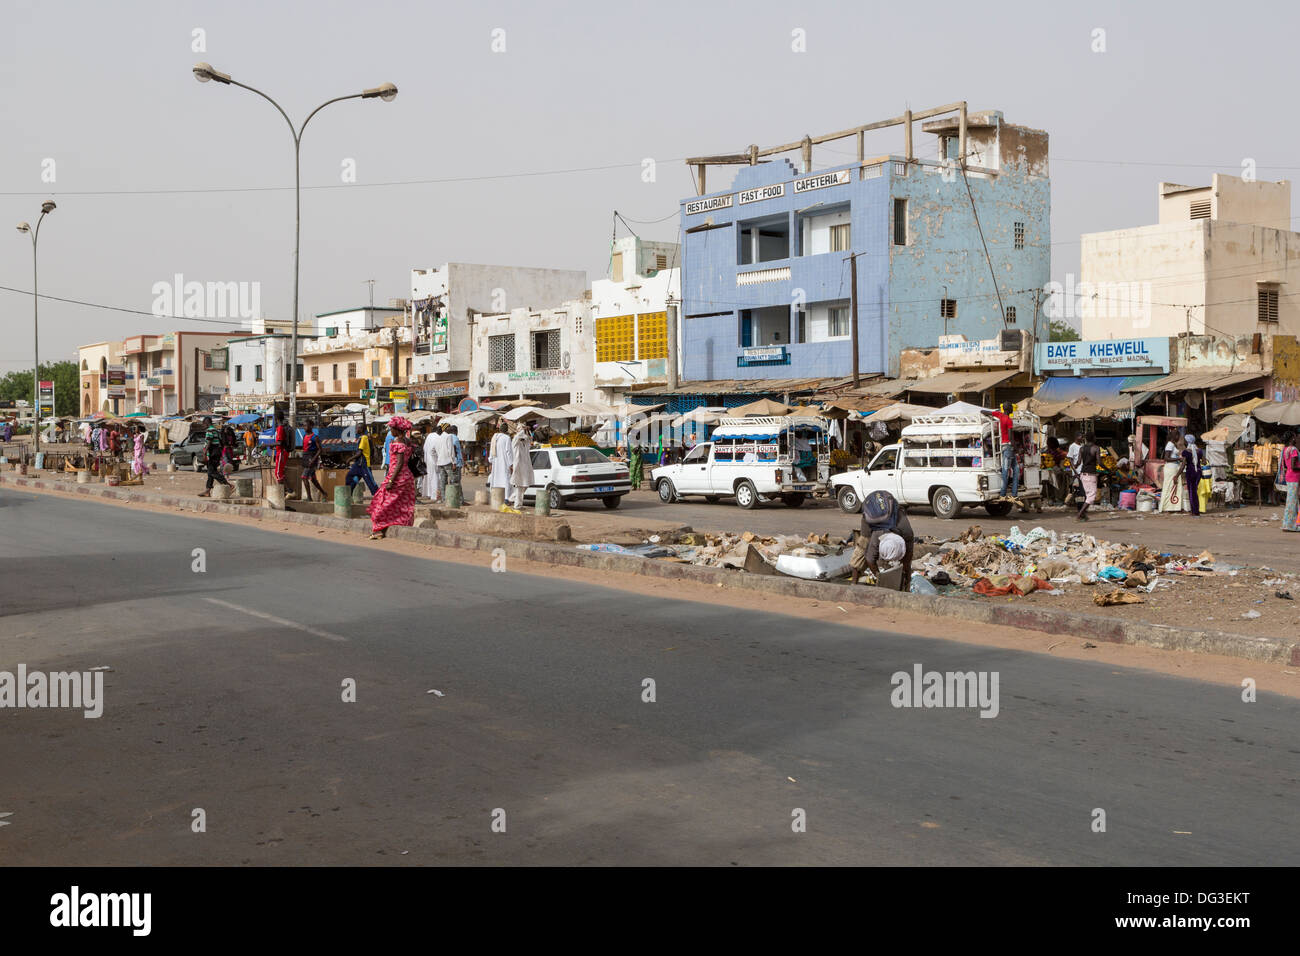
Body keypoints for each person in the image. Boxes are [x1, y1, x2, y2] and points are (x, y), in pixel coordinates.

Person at [850, 489, 914, 590]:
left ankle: (906, 586)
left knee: (906, 566)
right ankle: (853, 584)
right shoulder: (877, 534)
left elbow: (907, 561)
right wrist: (880, 578)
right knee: (862, 547)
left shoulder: (907, 534)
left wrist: (907, 580)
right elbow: (870, 559)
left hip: (891, 512)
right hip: (871, 513)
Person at [367, 417, 417, 539]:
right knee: (402, 505)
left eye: (391, 428)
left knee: (382, 502)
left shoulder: (398, 442)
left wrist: (391, 480)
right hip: (407, 476)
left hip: (397, 476)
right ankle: (401, 524)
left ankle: (378, 529)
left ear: (397, 429)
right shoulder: (407, 441)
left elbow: (399, 463)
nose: (390, 430)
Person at [981, 403, 1017, 499]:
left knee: (1014, 469)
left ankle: (1013, 493)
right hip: (1009, 446)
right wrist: (1015, 446)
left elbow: (983, 411)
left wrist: (990, 415)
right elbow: (1010, 436)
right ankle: (1004, 494)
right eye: (1011, 407)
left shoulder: (1000, 415)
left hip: (1003, 446)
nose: (1012, 408)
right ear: (1009, 409)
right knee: (1007, 470)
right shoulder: (1009, 420)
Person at [197, 416, 230, 497]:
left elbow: (209, 441)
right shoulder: (216, 430)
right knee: (210, 472)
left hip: (213, 452)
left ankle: (228, 484)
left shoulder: (209, 430)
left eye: (203, 424)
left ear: (207, 423)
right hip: (217, 452)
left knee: (212, 472)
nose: (203, 426)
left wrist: (205, 452)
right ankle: (207, 491)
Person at [300, 418, 326, 501]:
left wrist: (313, 460)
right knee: (313, 479)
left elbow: (320, 450)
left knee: (304, 477)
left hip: (311, 458)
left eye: (306, 426)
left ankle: (309, 497)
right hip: (305, 457)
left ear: (311, 426)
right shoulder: (304, 436)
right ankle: (324, 493)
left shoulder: (315, 437)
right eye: (303, 426)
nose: (304, 427)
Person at [510, 424, 534, 509]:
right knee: (519, 485)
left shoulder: (525, 443)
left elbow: (530, 438)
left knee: (525, 484)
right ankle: (517, 504)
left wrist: (527, 431)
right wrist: (522, 429)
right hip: (518, 466)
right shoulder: (515, 442)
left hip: (526, 466)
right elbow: (518, 436)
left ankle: (514, 499)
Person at [1178, 433, 1203, 517]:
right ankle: (1195, 510)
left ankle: (1195, 512)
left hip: (1191, 473)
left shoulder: (1186, 452)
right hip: (1198, 472)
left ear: (1187, 442)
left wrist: (1177, 475)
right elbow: (1204, 461)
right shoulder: (1199, 451)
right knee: (1195, 492)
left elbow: (1182, 466)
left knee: (1192, 493)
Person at [1076, 435, 1099, 521]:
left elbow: (1078, 462)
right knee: (1091, 496)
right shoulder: (1096, 448)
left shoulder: (1081, 448)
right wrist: (1108, 469)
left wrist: (1074, 466)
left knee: (1088, 495)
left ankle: (1083, 515)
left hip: (1083, 474)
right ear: (1094, 438)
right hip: (1091, 474)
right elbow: (1099, 462)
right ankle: (1080, 514)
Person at [488, 420, 512, 497]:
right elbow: (509, 452)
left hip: (495, 462)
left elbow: (491, 450)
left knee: (495, 479)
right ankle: (506, 498)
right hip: (504, 463)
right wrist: (511, 464)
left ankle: (495, 497)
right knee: (506, 480)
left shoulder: (494, 437)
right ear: (506, 430)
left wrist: (491, 460)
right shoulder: (507, 438)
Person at [1283, 432, 1300, 533]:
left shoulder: (1285, 449)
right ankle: (1290, 525)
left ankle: (1288, 524)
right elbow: (1294, 466)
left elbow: (1287, 465)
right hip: (1294, 477)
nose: (1296, 438)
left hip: (1289, 477)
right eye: (1294, 437)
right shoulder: (1293, 450)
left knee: (1290, 501)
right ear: (1292, 439)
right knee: (1293, 502)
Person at [273, 408, 292, 495]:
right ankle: (287, 491)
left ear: (276, 418)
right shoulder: (282, 427)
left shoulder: (280, 428)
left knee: (278, 474)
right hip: (281, 452)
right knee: (280, 473)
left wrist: (266, 445)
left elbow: (279, 442)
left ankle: (284, 493)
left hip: (281, 452)